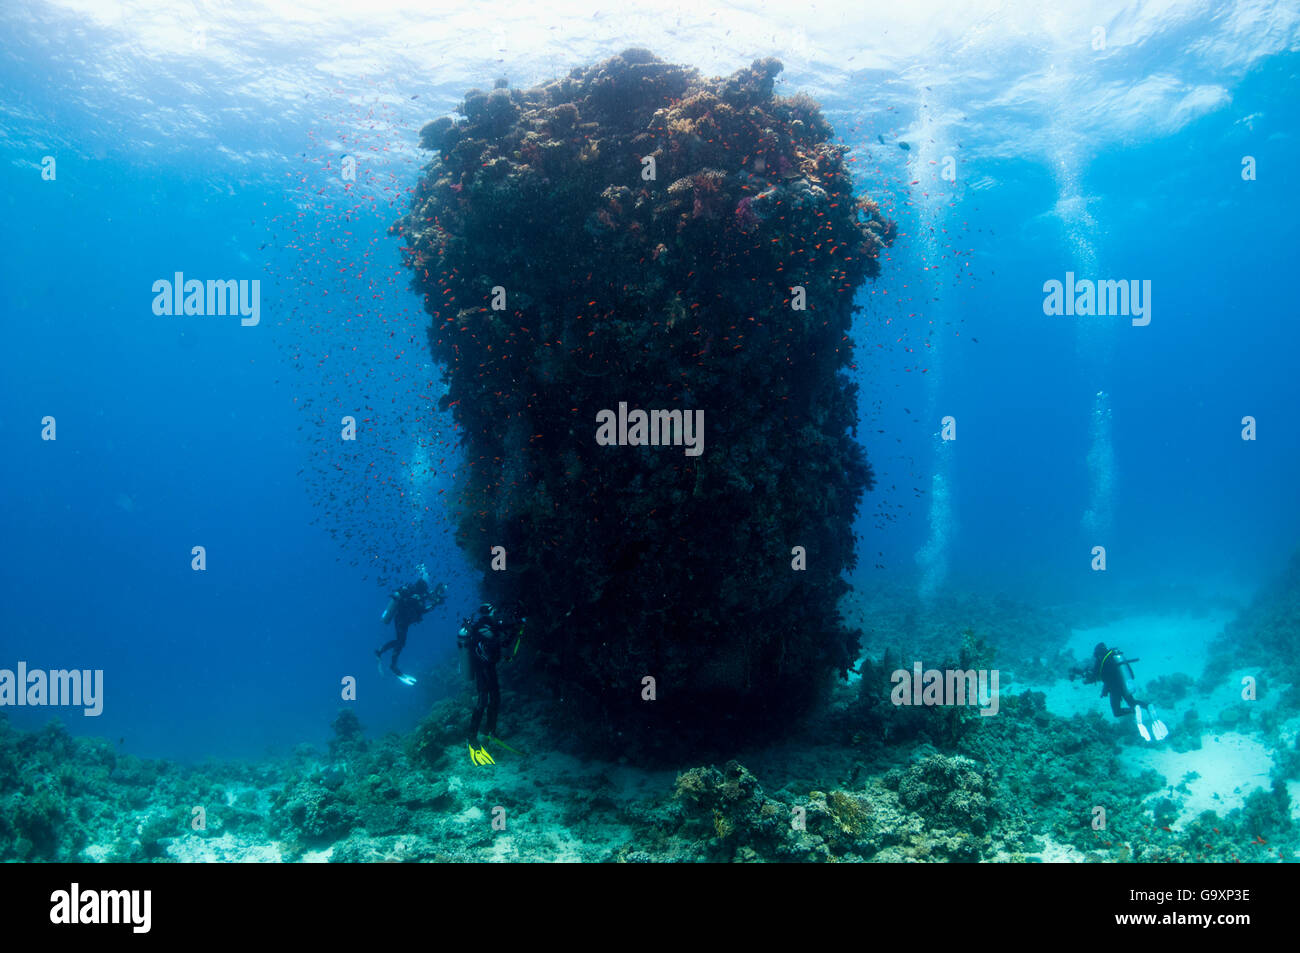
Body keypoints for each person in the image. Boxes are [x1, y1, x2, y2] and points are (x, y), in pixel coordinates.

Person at [459, 602, 524, 766]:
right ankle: (472, 738)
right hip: (483, 670)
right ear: (489, 613)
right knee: (483, 701)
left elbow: (502, 630)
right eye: (495, 612)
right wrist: (513, 632)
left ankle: (489, 730)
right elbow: (502, 643)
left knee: (495, 698)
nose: (498, 615)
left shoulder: (489, 626)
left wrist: (517, 624)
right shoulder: (483, 628)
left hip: (489, 668)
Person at [1071, 642, 1168, 741]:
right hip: (1124, 685)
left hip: (1115, 689)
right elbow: (1108, 676)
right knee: (1132, 702)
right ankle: (1147, 706)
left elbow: (1096, 676)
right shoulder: (1113, 658)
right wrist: (1104, 690)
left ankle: (1134, 710)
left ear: (1098, 653)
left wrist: (1081, 675)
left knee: (1117, 712)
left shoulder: (1102, 661)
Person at [375, 577, 447, 685]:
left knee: (400, 642)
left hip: (404, 621)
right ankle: (390, 662)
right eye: (424, 590)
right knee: (400, 642)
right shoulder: (415, 597)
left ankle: (383, 654)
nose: (425, 592)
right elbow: (423, 610)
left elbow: (424, 598)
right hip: (402, 621)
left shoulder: (415, 594)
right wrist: (435, 604)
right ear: (421, 589)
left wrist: (434, 596)